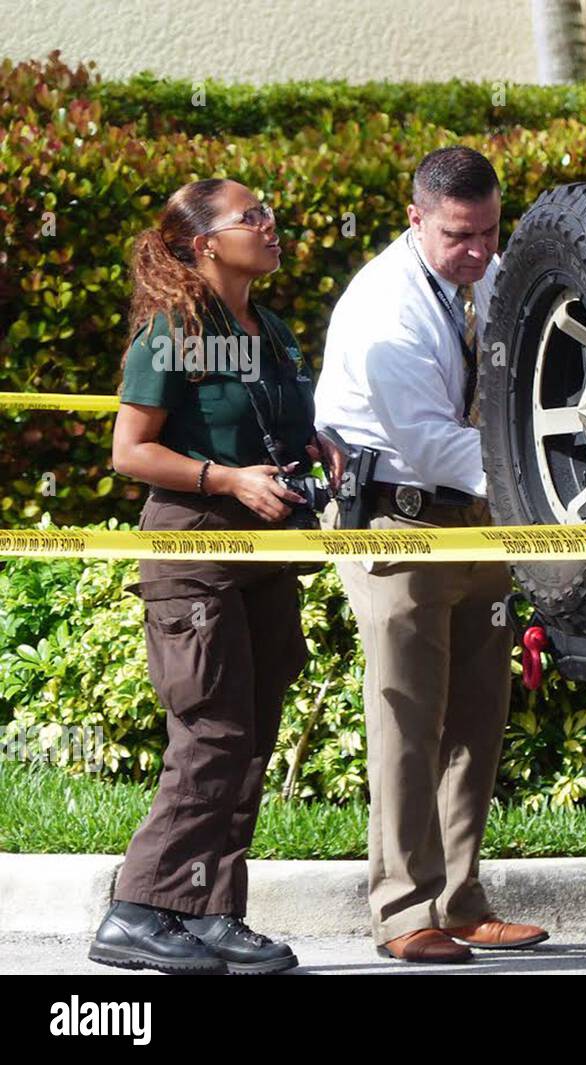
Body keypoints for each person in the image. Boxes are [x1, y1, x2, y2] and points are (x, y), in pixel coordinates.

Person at [89, 178, 340, 975]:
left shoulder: (267, 328)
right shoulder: (172, 331)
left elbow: (270, 424)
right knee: (210, 734)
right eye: (251, 216)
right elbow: (131, 451)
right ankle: (135, 909)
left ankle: (211, 911)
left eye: (269, 208)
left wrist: (318, 445)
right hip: (197, 548)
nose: (271, 223)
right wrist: (227, 481)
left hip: (266, 549)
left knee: (250, 735)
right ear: (205, 245)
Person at [315, 146, 547, 963]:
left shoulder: (490, 270)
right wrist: (542, 483)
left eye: (490, 229)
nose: (481, 251)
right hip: (398, 523)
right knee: (407, 720)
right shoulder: (386, 309)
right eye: (459, 236)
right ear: (415, 220)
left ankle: (458, 898)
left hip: (479, 522)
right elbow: (428, 442)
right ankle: (401, 912)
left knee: (479, 714)